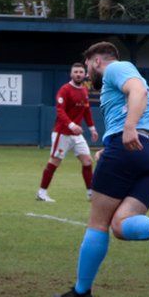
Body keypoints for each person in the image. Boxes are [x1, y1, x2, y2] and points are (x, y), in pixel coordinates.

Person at [52, 42, 149, 297]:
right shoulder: (116, 81)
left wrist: (128, 129)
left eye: (86, 68)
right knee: (121, 224)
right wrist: (111, 146)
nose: (86, 75)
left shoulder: (116, 67)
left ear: (96, 62)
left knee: (98, 223)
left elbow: (137, 92)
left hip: (130, 145)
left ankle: (82, 291)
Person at [37, 63, 100, 202]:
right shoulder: (65, 90)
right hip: (62, 133)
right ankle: (41, 193)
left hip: (76, 134)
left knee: (87, 161)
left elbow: (86, 111)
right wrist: (71, 125)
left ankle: (90, 193)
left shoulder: (84, 90)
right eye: (75, 72)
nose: (78, 74)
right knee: (55, 161)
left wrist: (92, 129)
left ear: (85, 75)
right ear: (71, 74)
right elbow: (60, 111)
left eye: (81, 72)